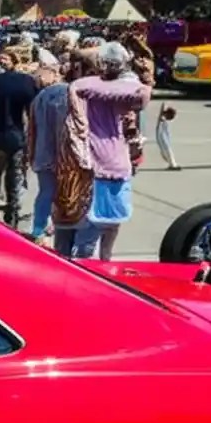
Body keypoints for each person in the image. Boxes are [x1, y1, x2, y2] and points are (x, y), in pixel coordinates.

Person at [56, 42, 151, 261]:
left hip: (84, 166)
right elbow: (142, 95)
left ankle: (79, 271)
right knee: (100, 231)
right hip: (107, 166)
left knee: (79, 233)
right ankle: (98, 266)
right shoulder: (111, 89)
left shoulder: (79, 88)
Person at [0, 51, 38, 227]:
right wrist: (31, 137)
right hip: (17, 138)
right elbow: (32, 113)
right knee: (14, 177)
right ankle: (12, 214)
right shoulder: (27, 83)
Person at [26, 65, 69, 241]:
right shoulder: (67, 93)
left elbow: (31, 129)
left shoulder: (38, 99)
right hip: (64, 155)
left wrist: (31, 152)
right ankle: (57, 227)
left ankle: (39, 228)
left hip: (42, 153)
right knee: (64, 194)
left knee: (45, 192)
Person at [156, 103, 180, 170]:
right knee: (165, 148)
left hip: (162, 131)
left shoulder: (163, 119)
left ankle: (172, 164)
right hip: (162, 131)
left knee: (165, 147)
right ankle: (172, 163)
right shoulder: (163, 118)